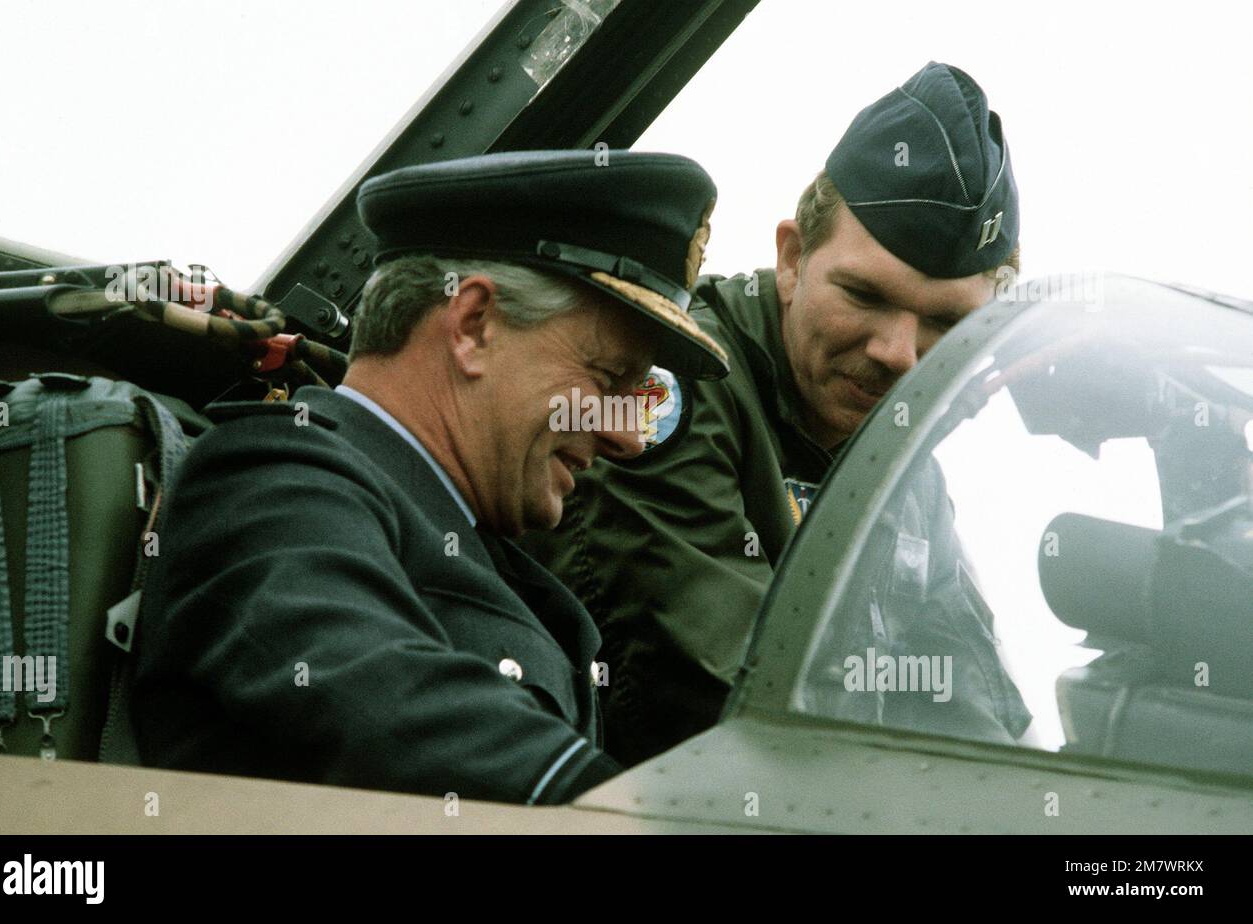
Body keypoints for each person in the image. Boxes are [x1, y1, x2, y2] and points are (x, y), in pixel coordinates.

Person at [131, 149, 729, 804]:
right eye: (608, 379)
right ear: (474, 325)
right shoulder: (270, 480)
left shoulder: (497, 563)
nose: (625, 436)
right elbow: (367, 690)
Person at [521, 62, 1028, 765]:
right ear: (792, 259)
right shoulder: (676, 395)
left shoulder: (901, 461)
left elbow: (973, 716)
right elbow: (731, 713)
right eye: (866, 296)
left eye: (945, 323)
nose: (900, 355)